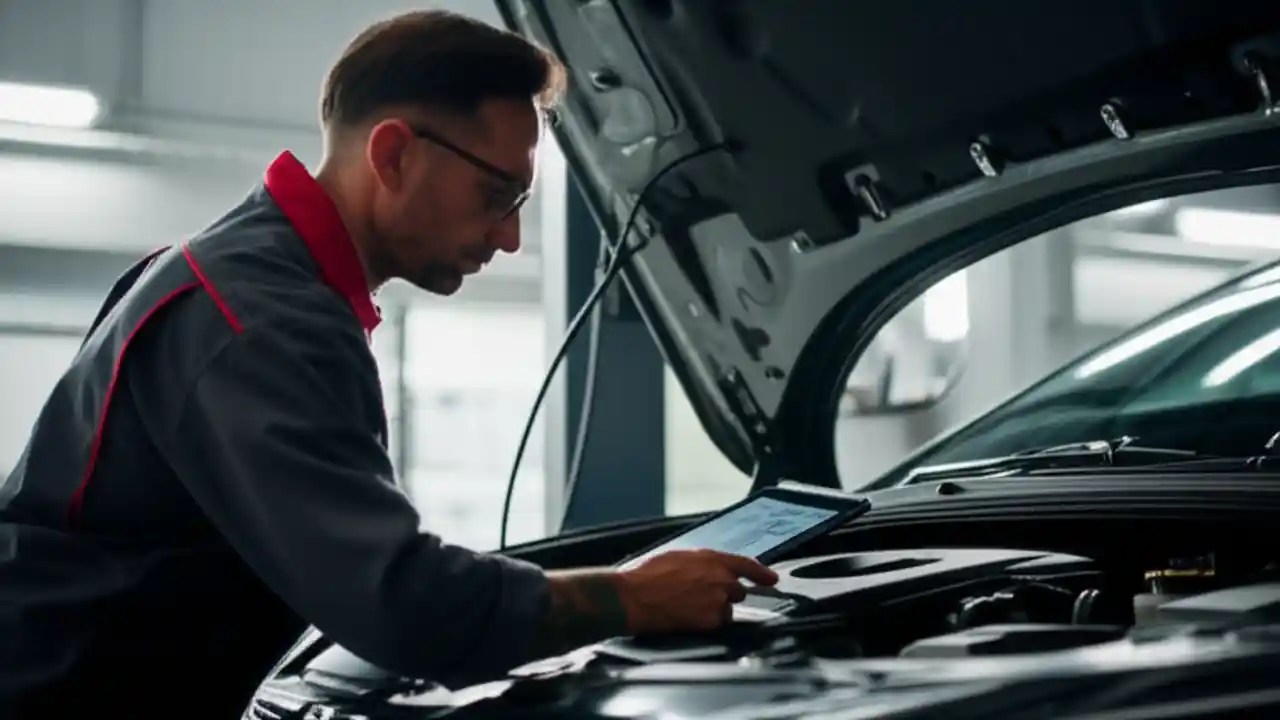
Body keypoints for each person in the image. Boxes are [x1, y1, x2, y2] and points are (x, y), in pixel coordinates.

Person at [0, 10, 777, 718]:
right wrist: (631, 598)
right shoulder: (258, 319)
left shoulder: (247, 279)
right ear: (395, 153)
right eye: (498, 194)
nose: (508, 238)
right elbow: (399, 604)